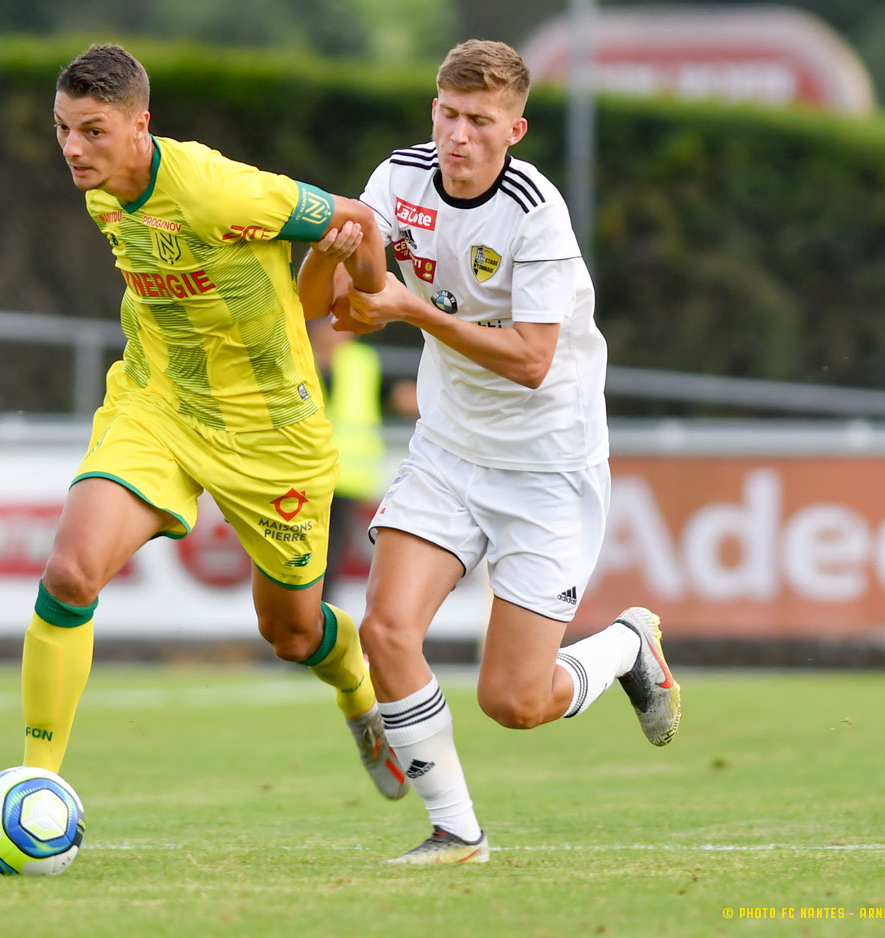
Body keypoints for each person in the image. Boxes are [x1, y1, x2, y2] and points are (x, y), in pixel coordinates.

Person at [0, 43, 409, 808]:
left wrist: (365, 289)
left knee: (291, 634)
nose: (73, 149)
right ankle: (34, 787)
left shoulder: (217, 191)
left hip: (271, 433)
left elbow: (354, 220)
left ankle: (356, 687)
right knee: (70, 573)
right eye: (63, 129)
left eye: (92, 131)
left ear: (140, 126)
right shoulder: (102, 192)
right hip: (159, 405)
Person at [298, 38, 681, 865]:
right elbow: (342, 299)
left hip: (547, 467)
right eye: (447, 113)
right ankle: (456, 831)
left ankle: (625, 645)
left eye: (479, 120)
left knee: (514, 701)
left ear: (515, 130)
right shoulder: (398, 178)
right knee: (386, 630)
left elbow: (533, 359)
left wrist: (409, 310)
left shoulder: (536, 212)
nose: (458, 135)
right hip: (447, 450)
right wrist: (333, 258)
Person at [305, 316, 384, 608]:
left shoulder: (362, 361)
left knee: (330, 554)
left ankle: (318, 615)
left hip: (346, 478)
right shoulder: (296, 359)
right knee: (302, 554)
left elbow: (389, 395)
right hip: (304, 477)